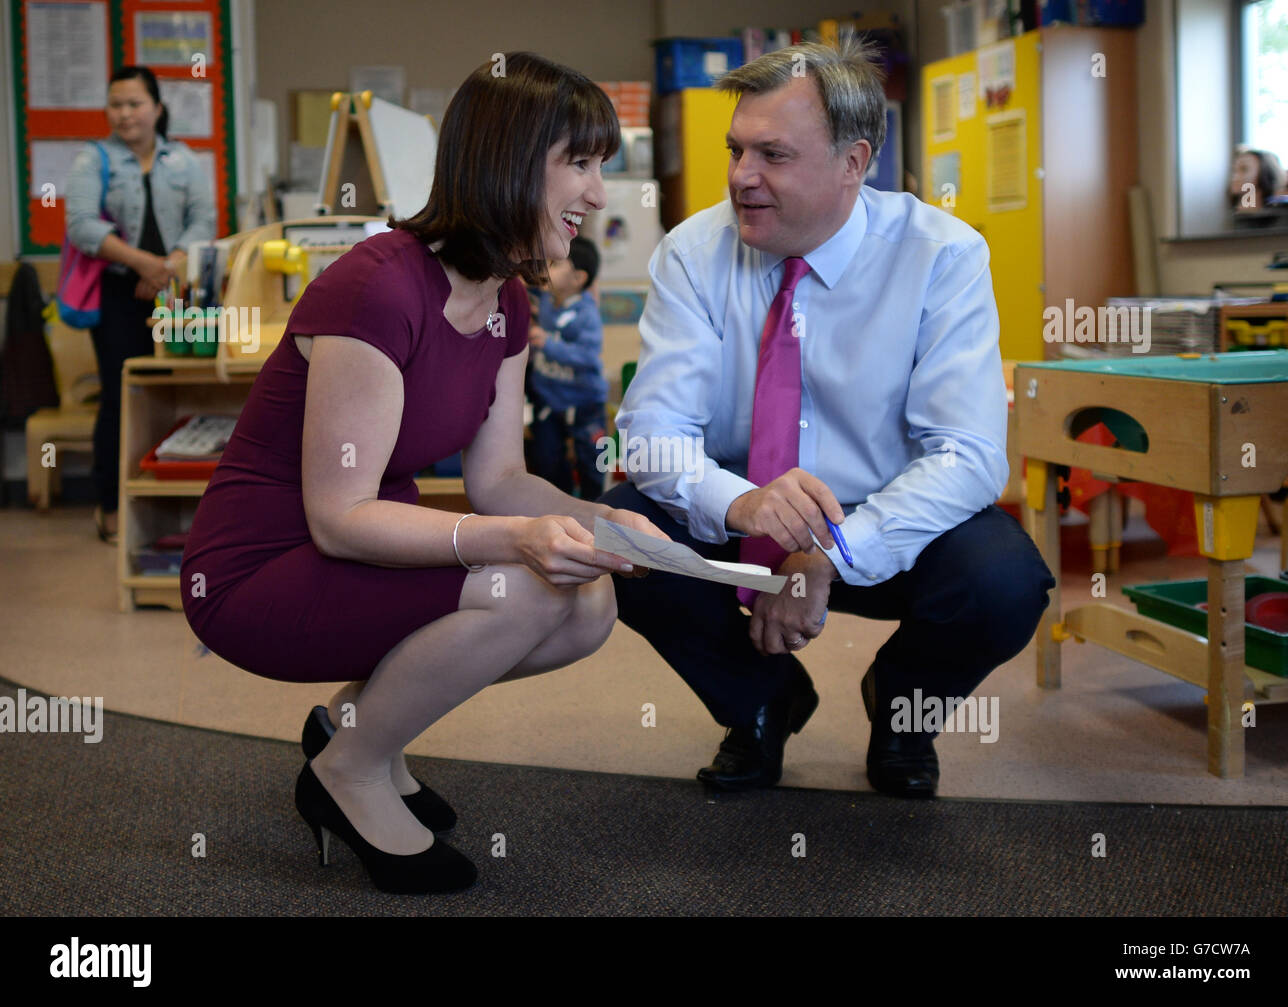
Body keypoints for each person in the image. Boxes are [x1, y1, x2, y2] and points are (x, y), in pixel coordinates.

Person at [180, 52, 668, 895]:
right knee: (523, 586)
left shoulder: (508, 297)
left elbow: (501, 479)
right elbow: (339, 515)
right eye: (580, 165)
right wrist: (513, 540)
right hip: (256, 570)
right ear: (511, 162)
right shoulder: (376, 288)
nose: (597, 193)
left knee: (590, 603)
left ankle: (353, 726)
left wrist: (602, 519)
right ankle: (348, 771)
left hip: (359, 558)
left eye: (601, 168)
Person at [602, 38, 1054, 799]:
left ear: (855, 163)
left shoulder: (941, 255)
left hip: (884, 520)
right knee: (624, 535)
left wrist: (829, 554)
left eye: (773, 155)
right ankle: (761, 699)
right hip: (741, 518)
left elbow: (969, 455)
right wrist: (743, 503)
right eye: (736, 149)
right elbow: (649, 435)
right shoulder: (692, 252)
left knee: (1003, 580)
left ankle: (902, 706)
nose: (742, 177)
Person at [64, 65, 215, 544]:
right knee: (121, 394)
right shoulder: (94, 159)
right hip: (116, 294)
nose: (125, 114)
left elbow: (203, 219)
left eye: (134, 104)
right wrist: (142, 264)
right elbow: (82, 225)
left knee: (179, 388)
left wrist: (167, 267)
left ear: (157, 109)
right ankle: (111, 503)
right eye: (116, 104)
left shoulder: (183, 160)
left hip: (175, 292)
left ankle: (172, 501)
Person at [527, 236, 609, 500]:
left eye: (556, 264)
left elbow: (587, 355)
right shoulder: (548, 300)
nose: (547, 270)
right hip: (549, 402)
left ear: (578, 279)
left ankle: (594, 506)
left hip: (585, 404)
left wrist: (548, 343)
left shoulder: (586, 314)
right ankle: (560, 505)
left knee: (592, 463)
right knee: (547, 461)